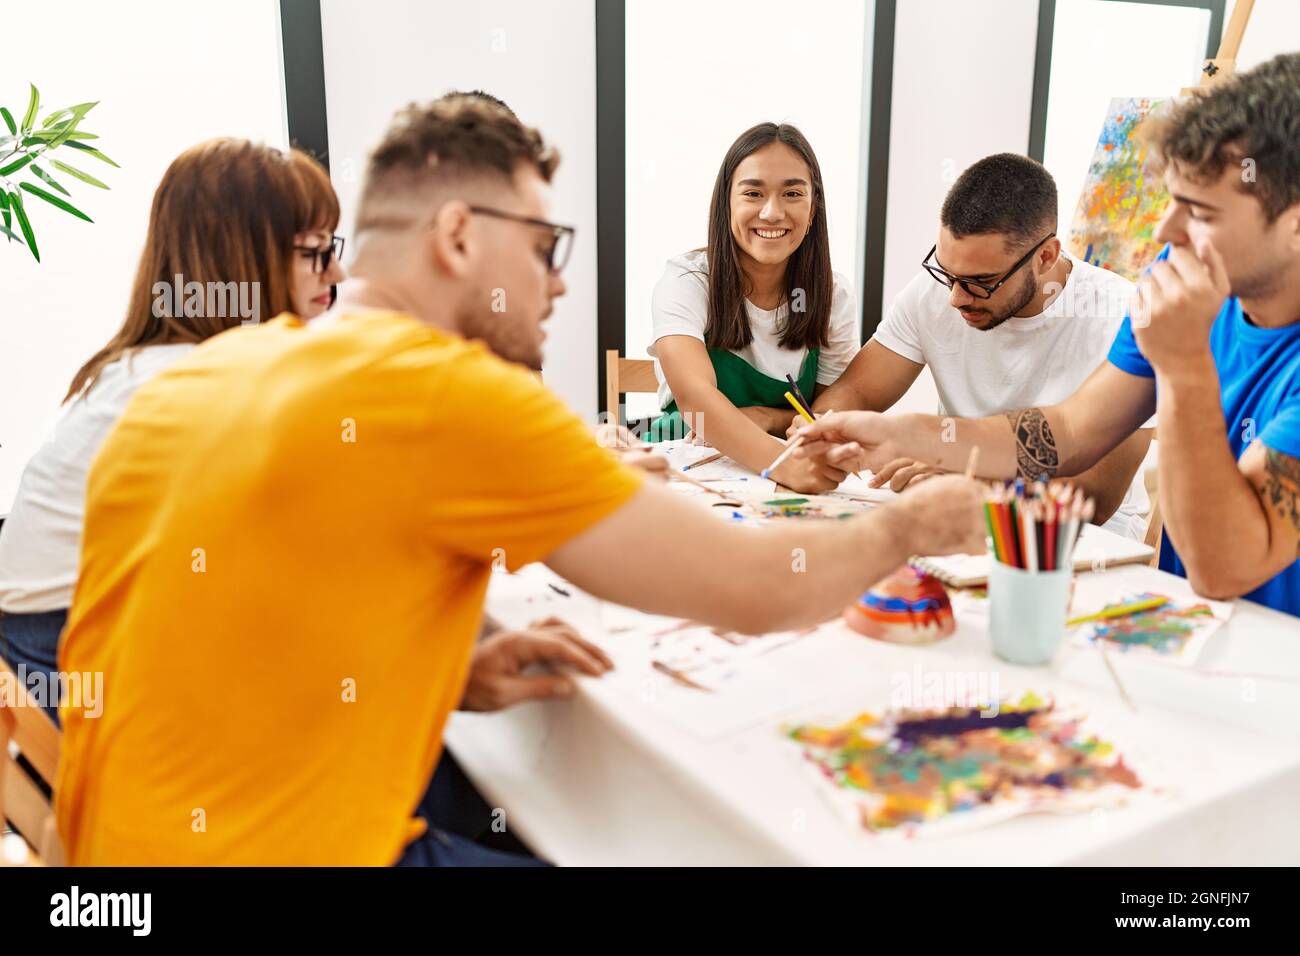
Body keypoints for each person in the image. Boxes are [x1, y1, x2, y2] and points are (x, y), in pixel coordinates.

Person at [55, 96, 986, 866]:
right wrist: (907, 528)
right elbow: (750, 586)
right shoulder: (449, 392)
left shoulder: (193, 379)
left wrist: (449, 674)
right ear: (459, 236)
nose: (560, 285)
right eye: (545, 248)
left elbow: (222, 634)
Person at [795, 53, 1300, 615]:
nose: (1165, 231)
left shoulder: (1177, 310)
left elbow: (1222, 564)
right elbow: (1070, 430)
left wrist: (1181, 366)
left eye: (1200, 212)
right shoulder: (1182, 278)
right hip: (1208, 637)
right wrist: (903, 434)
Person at [0, 138, 345, 721]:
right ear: (244, 259)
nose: (336, 271)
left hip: (50, 658)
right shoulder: (195, 384)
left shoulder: (156, 366)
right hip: (65, 665)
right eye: (313, 252)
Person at [798, 153, 1152, 539]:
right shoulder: (934, 293)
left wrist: (965, 478)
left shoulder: (1120, 314)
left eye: (981, 282)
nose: (956, 298)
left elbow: (1095, 497)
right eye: (946, 273)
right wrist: (823, 429)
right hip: (956, 513)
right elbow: (857, 391)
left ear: (1046, 256)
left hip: (1082, 538)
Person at [645, 123, 859, 492]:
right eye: (753, 193)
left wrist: (766, 418)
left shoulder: (832, 294)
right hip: (686, 464)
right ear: (727, 202)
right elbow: (696, 397)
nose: (772, 213)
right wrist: (782, 463)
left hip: (788, 477)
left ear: (813, 208)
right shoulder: (687, 280)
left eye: (792, 193)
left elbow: (826, 411)